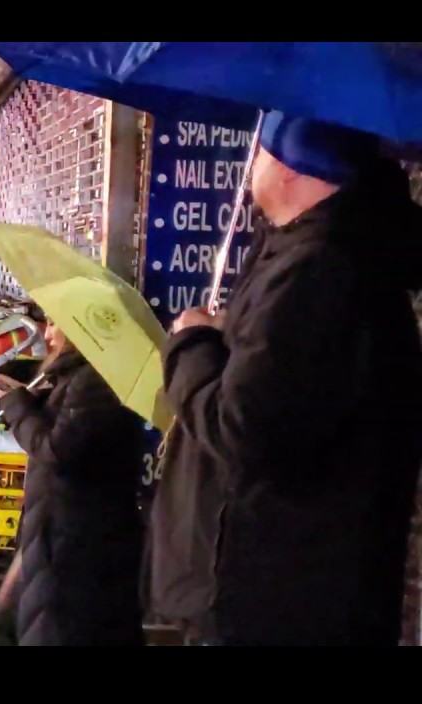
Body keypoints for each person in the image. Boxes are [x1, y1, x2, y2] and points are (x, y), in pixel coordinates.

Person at [162, 112, 422, 646]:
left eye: (260, 151)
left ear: (290, 171)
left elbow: (243, 427)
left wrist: (192, 343)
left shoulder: (318, 273)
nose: (251, 164)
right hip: (279, 594)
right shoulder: (314, 256)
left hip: (276, 603)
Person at [0, 319, 146, 646]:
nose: (47, 335)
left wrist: (18, 408)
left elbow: (59, 451)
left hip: (75, 546)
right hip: (60, 538)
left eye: (54, 324)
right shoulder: (77, 376)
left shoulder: (96, 380)